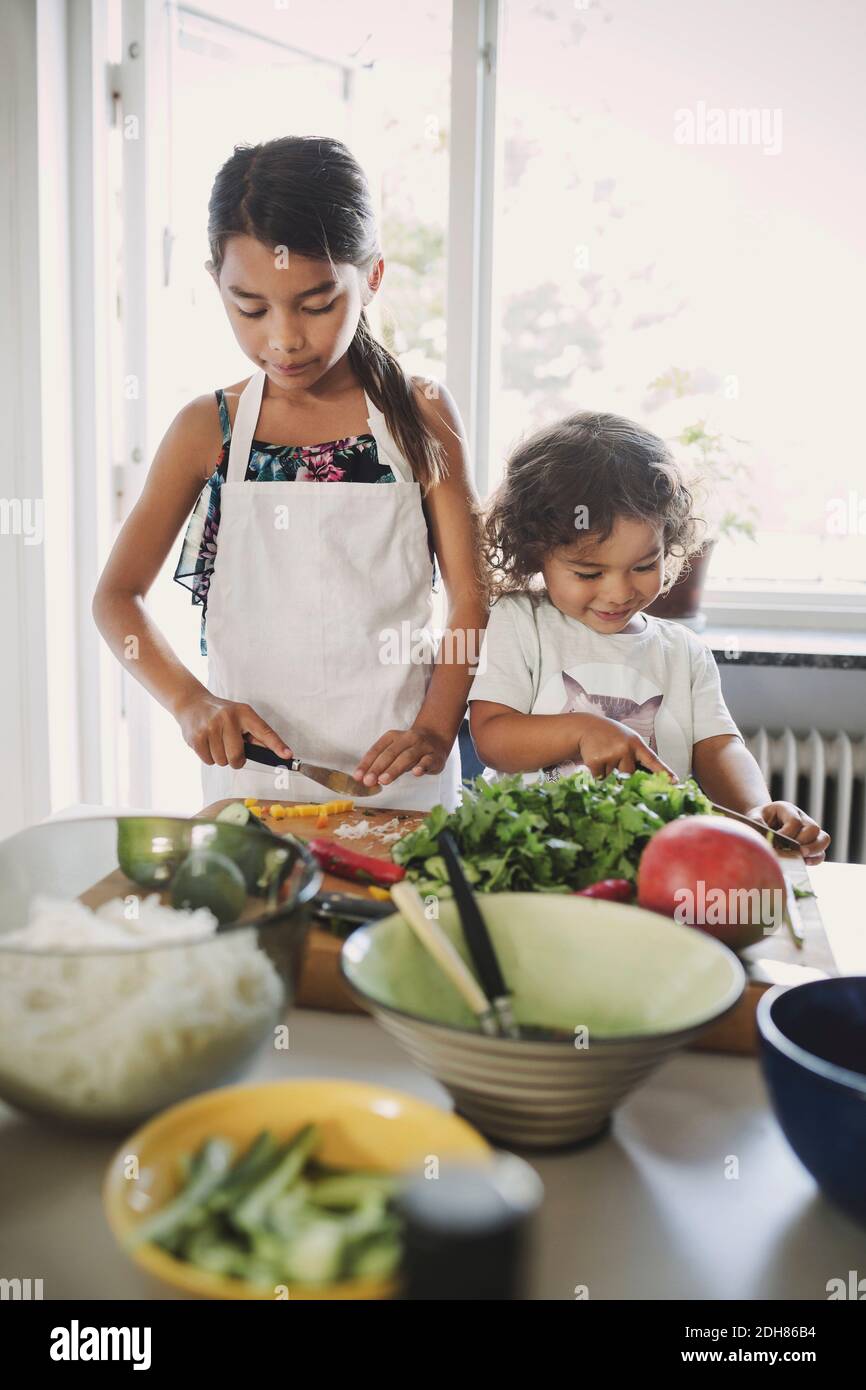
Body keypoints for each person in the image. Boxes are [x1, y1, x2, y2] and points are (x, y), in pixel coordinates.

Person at [93, 136, 487, 812]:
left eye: (316, 304)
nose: (283, 338)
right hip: (255, 783)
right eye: (250, 308)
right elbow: (116, 598)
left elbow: (472, 598)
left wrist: (435, 726)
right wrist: (191, 702)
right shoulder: (206, 429)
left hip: (401, 782)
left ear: (373, 279)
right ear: (215, 281)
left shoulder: (419, 411)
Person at [468, 411, 830, 864]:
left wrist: (755, 810)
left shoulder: (684, 653)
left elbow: (718, 746)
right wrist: (585, 729)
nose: (619, 591)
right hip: (525, 857)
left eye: (643, 565)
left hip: (650, 863)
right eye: (588, 572)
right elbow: (493, 738)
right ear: (536, 553)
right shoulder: (520, 623)